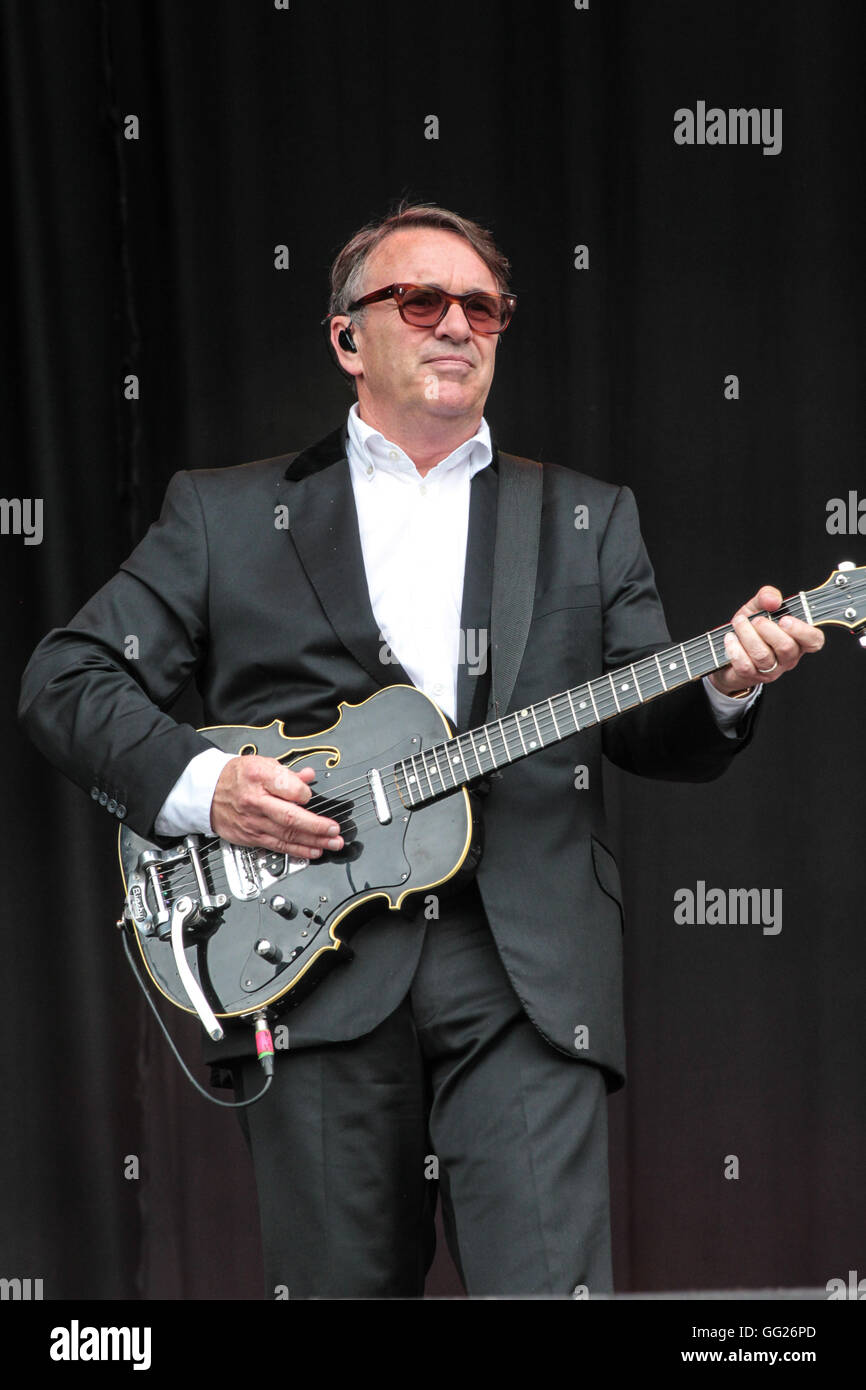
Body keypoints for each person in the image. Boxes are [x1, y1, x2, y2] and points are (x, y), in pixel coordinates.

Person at [19, 202, 824, 1298]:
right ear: (348, 337)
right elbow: (65, 680)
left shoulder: (584, 517)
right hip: (308, 959)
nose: (456, 323)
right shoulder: (224, 514)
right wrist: (211, 792)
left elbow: (652, 729)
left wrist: (727, 682)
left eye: (481, 306)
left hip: (526, 970)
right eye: (419, 299)